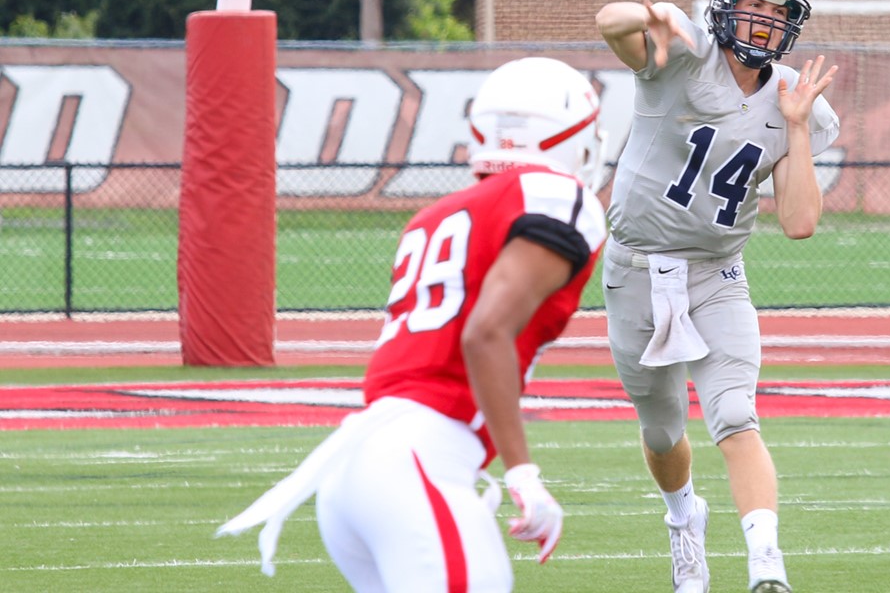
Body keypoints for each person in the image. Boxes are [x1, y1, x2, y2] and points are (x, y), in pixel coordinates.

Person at [216, 57, 608, 593]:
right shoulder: (556, 194)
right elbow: (484, 332)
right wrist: (523, 472)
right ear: (572, 134)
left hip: (360, 464)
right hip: (420, 461)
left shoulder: (437, 215)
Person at [594, 0, 839, 593]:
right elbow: (607, 22)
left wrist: (797, 130)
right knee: (662, 427)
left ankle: (767, 567)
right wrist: (650, 15)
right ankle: (684, 520)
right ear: (725, 5)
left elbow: (800, 222)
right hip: (637, 269)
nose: (764, 22)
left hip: (715, 273)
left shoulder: (797, 101)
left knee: (735, 414)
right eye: (754, 4)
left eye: (779, 11)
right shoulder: (682, 56)